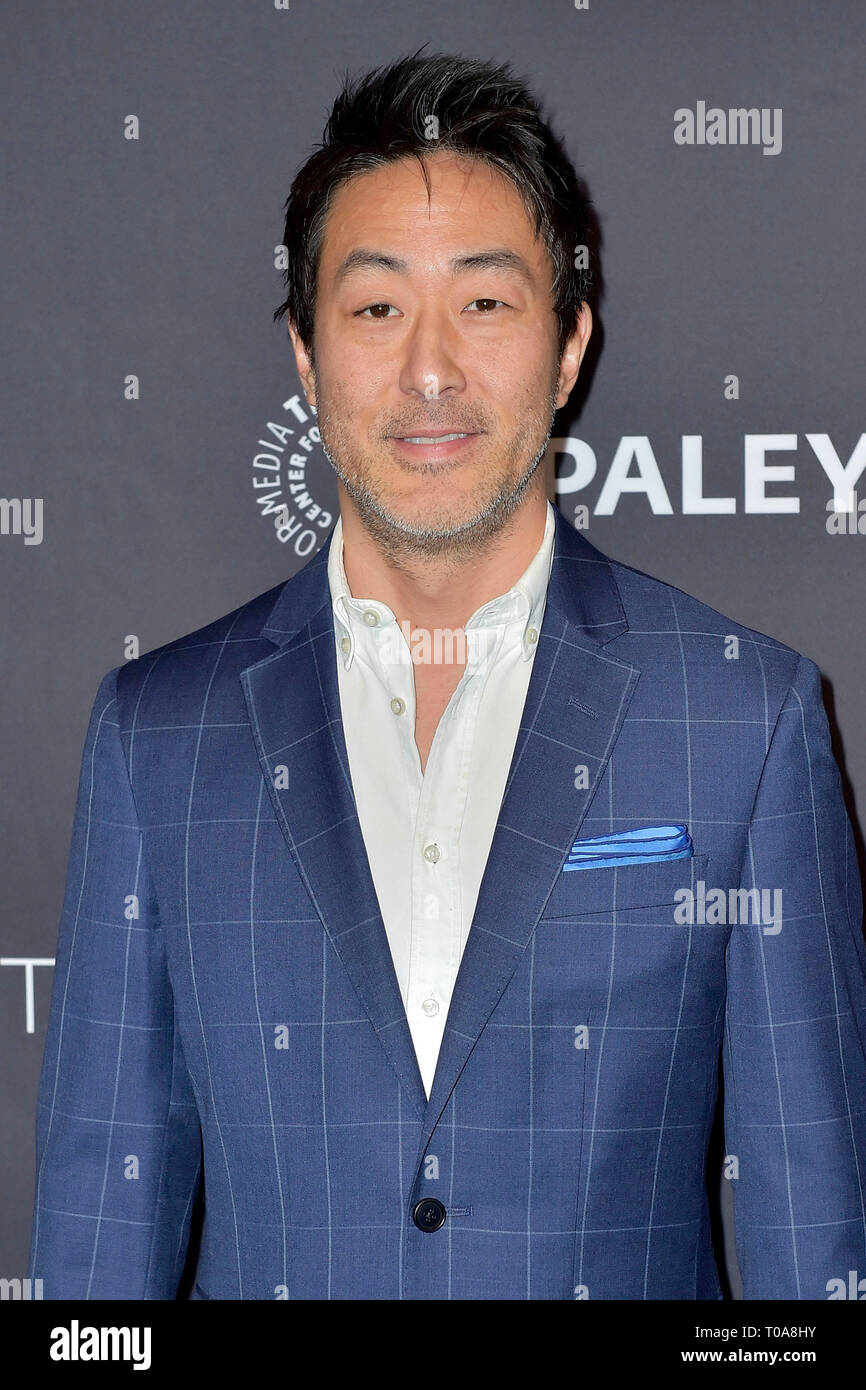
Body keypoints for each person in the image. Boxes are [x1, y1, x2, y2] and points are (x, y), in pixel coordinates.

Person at [29, 49, 866, 1300]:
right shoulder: (160, 737)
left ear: (568, 344)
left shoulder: (742, 716)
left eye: (484, 304)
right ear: (307, 362)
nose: (429, 369)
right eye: (374, 308)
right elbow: (99, 1250)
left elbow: (810, 1256)